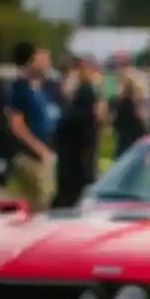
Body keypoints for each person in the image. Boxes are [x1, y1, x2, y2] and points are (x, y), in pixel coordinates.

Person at [4, 41, 56, 213]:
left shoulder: (39, 88)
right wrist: (40, 149)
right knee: (41, 203)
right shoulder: (21, 88)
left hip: (40, 155)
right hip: (30, 157)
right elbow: (17, 125)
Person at [52, 58, 103, 209]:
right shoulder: (84, 93)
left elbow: (74, 121)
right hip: (79, 155)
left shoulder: (84, 93)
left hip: (75, 157)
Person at [111, 68, 150, 158]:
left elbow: (115, 122)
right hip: (135, 141)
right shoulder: (137, 103)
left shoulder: (122, 103)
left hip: (126, 140)